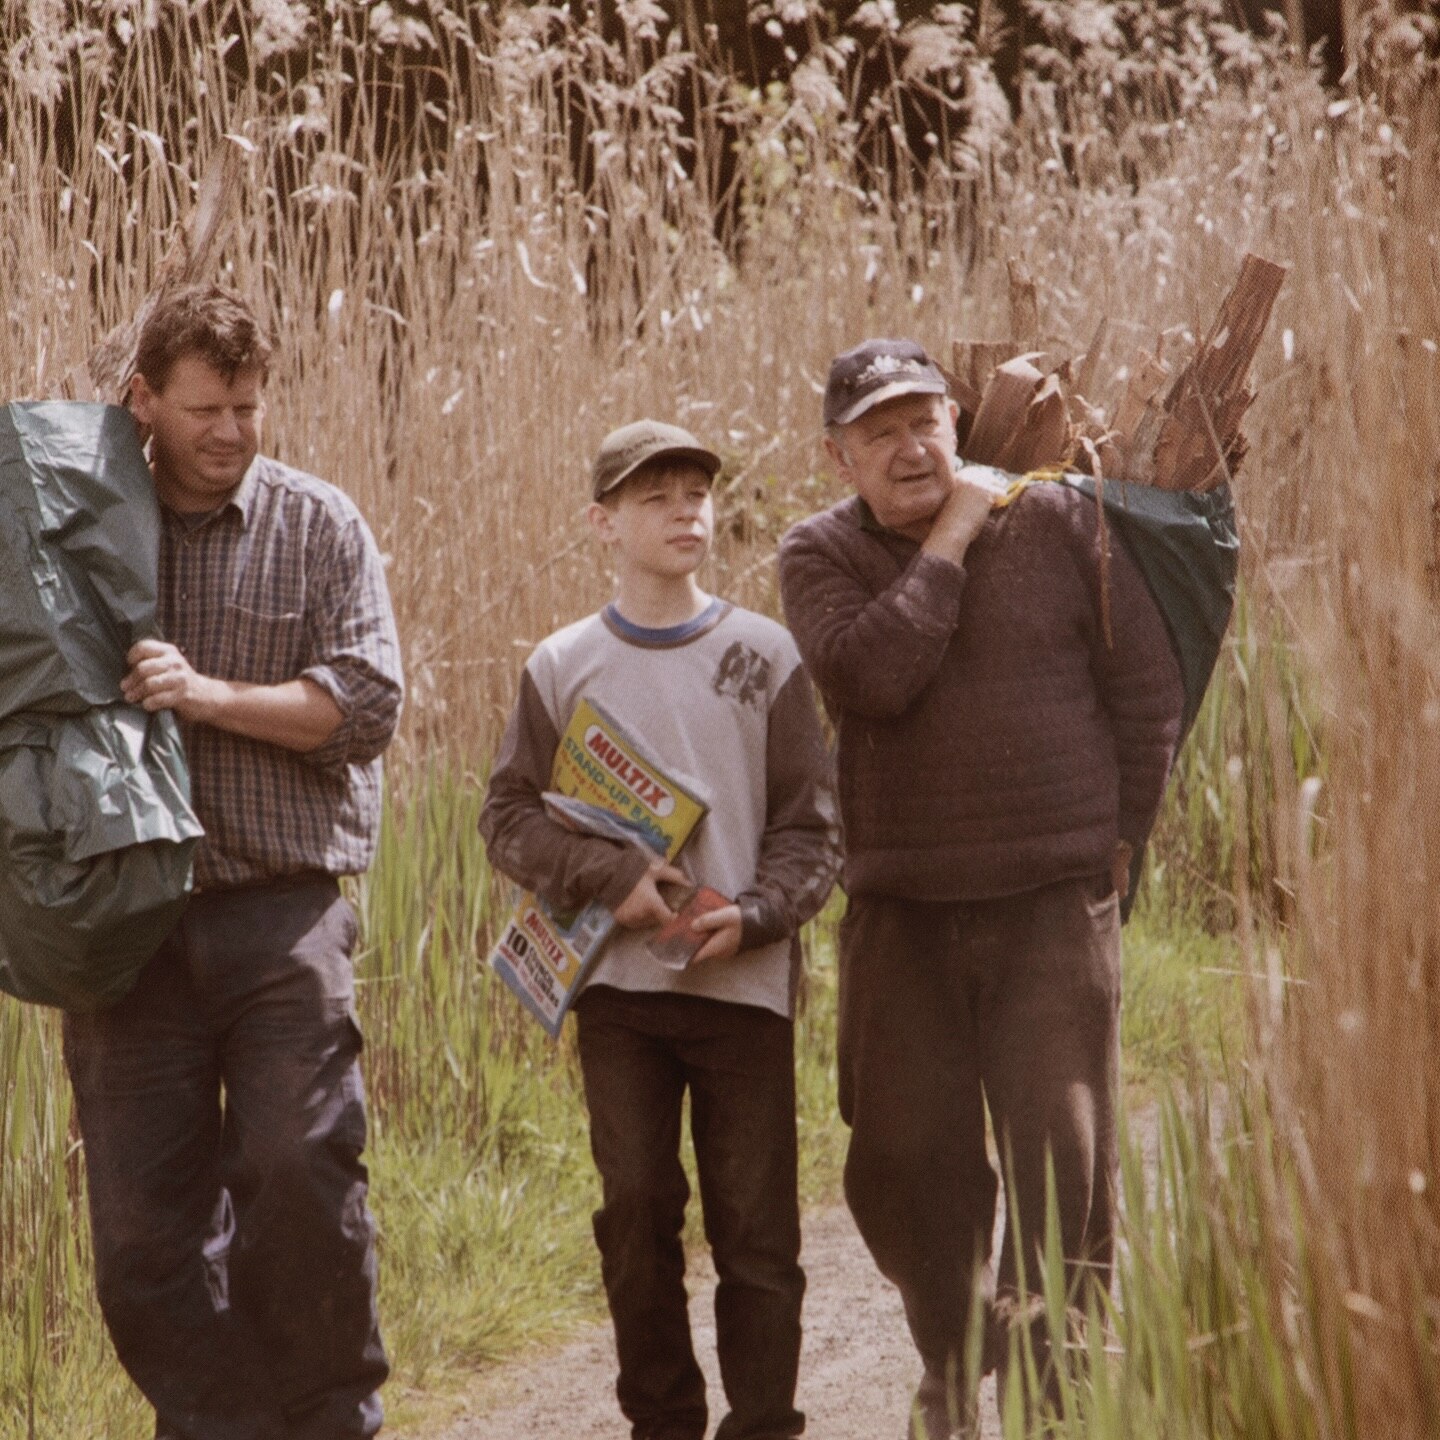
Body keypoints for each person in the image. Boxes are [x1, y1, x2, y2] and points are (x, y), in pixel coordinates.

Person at [777, 339, 1185, 1439]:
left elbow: (1145, 686)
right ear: (838, 456)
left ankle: (1052, 1406)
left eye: (926, 422)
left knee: (1068, 1155)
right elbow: (872, 676)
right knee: (901, 1161)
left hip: (1054, 898)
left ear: (956, 425)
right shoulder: (815, 555)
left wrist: (1120, 840)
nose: (911, 448)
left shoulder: (1059, 521)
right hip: (902, 908)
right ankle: (953, 1367)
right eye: (880, 433)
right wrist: (955, 532)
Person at [62, 283, 404, 1440]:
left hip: (281, 914)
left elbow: (364, 705)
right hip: (123, 928)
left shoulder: (321, 524)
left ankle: (333, 1421)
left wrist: (204, 698)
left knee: (302, 1179)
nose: (231, 432)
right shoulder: (76, 530)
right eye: (206, 408)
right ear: (142, 399)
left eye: (249, 408)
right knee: (142, 1248)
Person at [480, 419, 840, 1440]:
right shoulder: (561, 665)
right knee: (636, 1214)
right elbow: (506, 818)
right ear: (604, 524)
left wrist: (757, 913)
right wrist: (616, 879)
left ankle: (764, 1422)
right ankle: (664, 1421)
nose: (686, 511)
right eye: (656, 498)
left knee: (757, 1231)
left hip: (745, 991)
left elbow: (813, 827)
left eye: (696, 494)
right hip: (620, 996)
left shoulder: (765, 655)